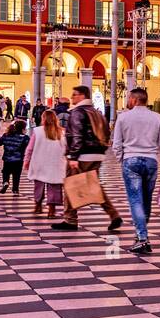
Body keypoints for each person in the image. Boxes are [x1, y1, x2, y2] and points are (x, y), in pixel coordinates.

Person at [54, 85, 123, 233]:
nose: (72, 97)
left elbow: (77, 135)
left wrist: (73, 156)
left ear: (82, 96)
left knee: (70, 185)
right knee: (94, 186)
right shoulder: (97, 113)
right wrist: (101, 150)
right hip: (96, 154)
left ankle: (70, 220)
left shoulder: (78, 112)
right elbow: (106, 133)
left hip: (82, 155)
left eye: (74, 94)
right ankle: (113, 214)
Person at [113, 87, 160, 255]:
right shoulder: (157, 118)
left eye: (129, 98)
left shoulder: (123, 118)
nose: (127, 101)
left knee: (135, 201)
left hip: (131, 160)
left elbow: (116, 144)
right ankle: (140, 236)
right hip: (151, 161)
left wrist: (122, 158)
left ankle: (143, 238)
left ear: (134, 99)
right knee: (146, 200)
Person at [26, 109, 67, 219]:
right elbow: (67, 148)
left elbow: (30, 148)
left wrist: (26, 161)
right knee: (54, 186)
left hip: (39, 162)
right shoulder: (62, 132)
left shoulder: (37, 131)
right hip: (56, 163)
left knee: (38, 185)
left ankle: (38, 206)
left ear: (43, 119)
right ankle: (51, 211)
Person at [0, 119, 31, 195]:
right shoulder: (25, 138)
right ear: (22, 129)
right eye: (25, 128)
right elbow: (29, 148)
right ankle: (15, 190)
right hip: (18, 160)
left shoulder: (7, 135)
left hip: (7, 159)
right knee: (16, 175)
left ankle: (5, 182)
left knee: (6, 172)